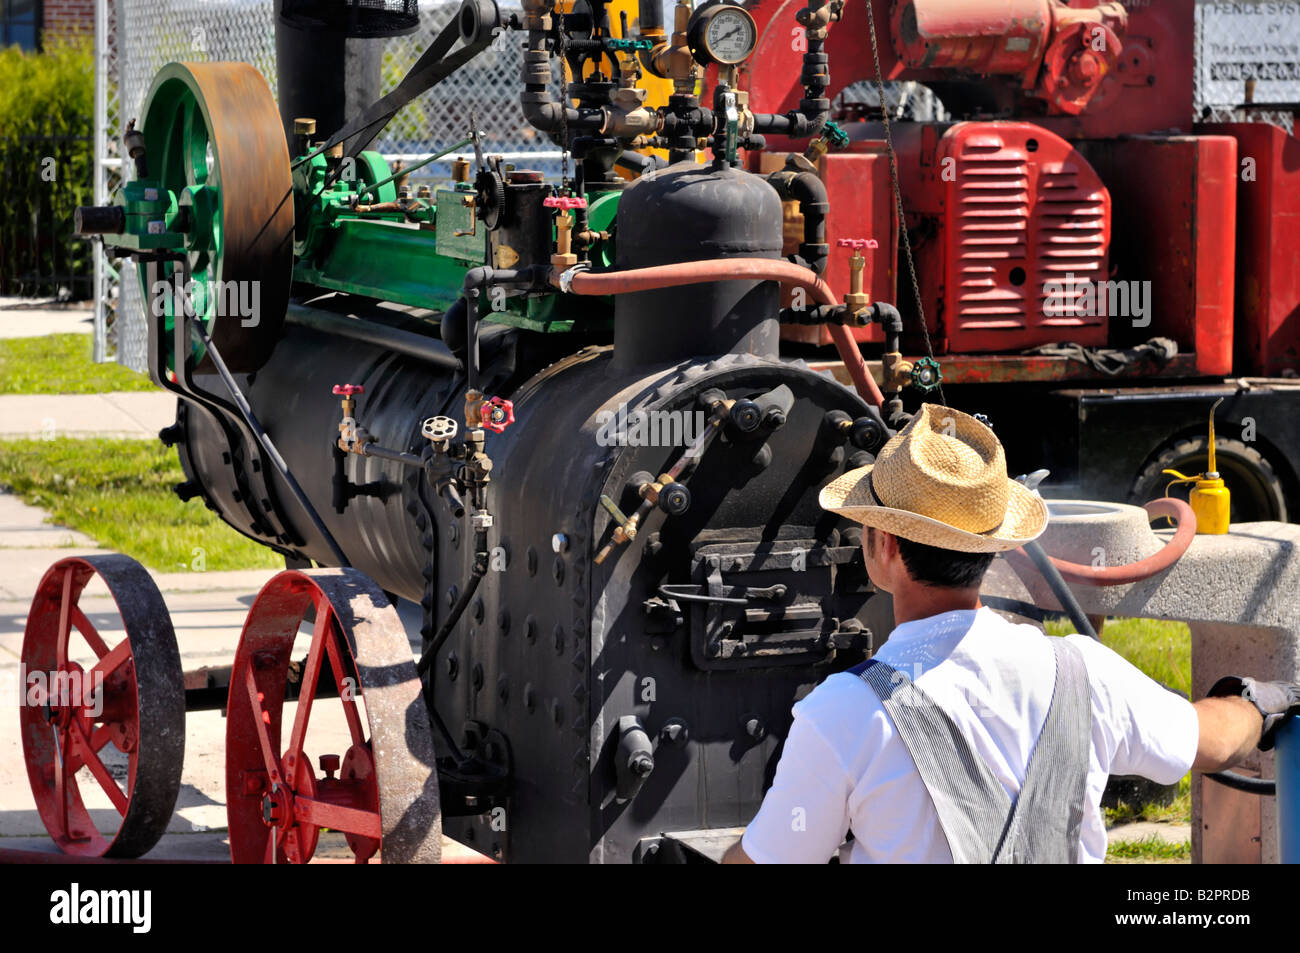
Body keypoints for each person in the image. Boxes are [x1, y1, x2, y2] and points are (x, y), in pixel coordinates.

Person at [723, 404, 1297, 864]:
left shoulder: (843, 714)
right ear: (994, 545)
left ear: (887, 546)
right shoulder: (1085, 671)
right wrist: (1263, 702)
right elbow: (1211, 740)